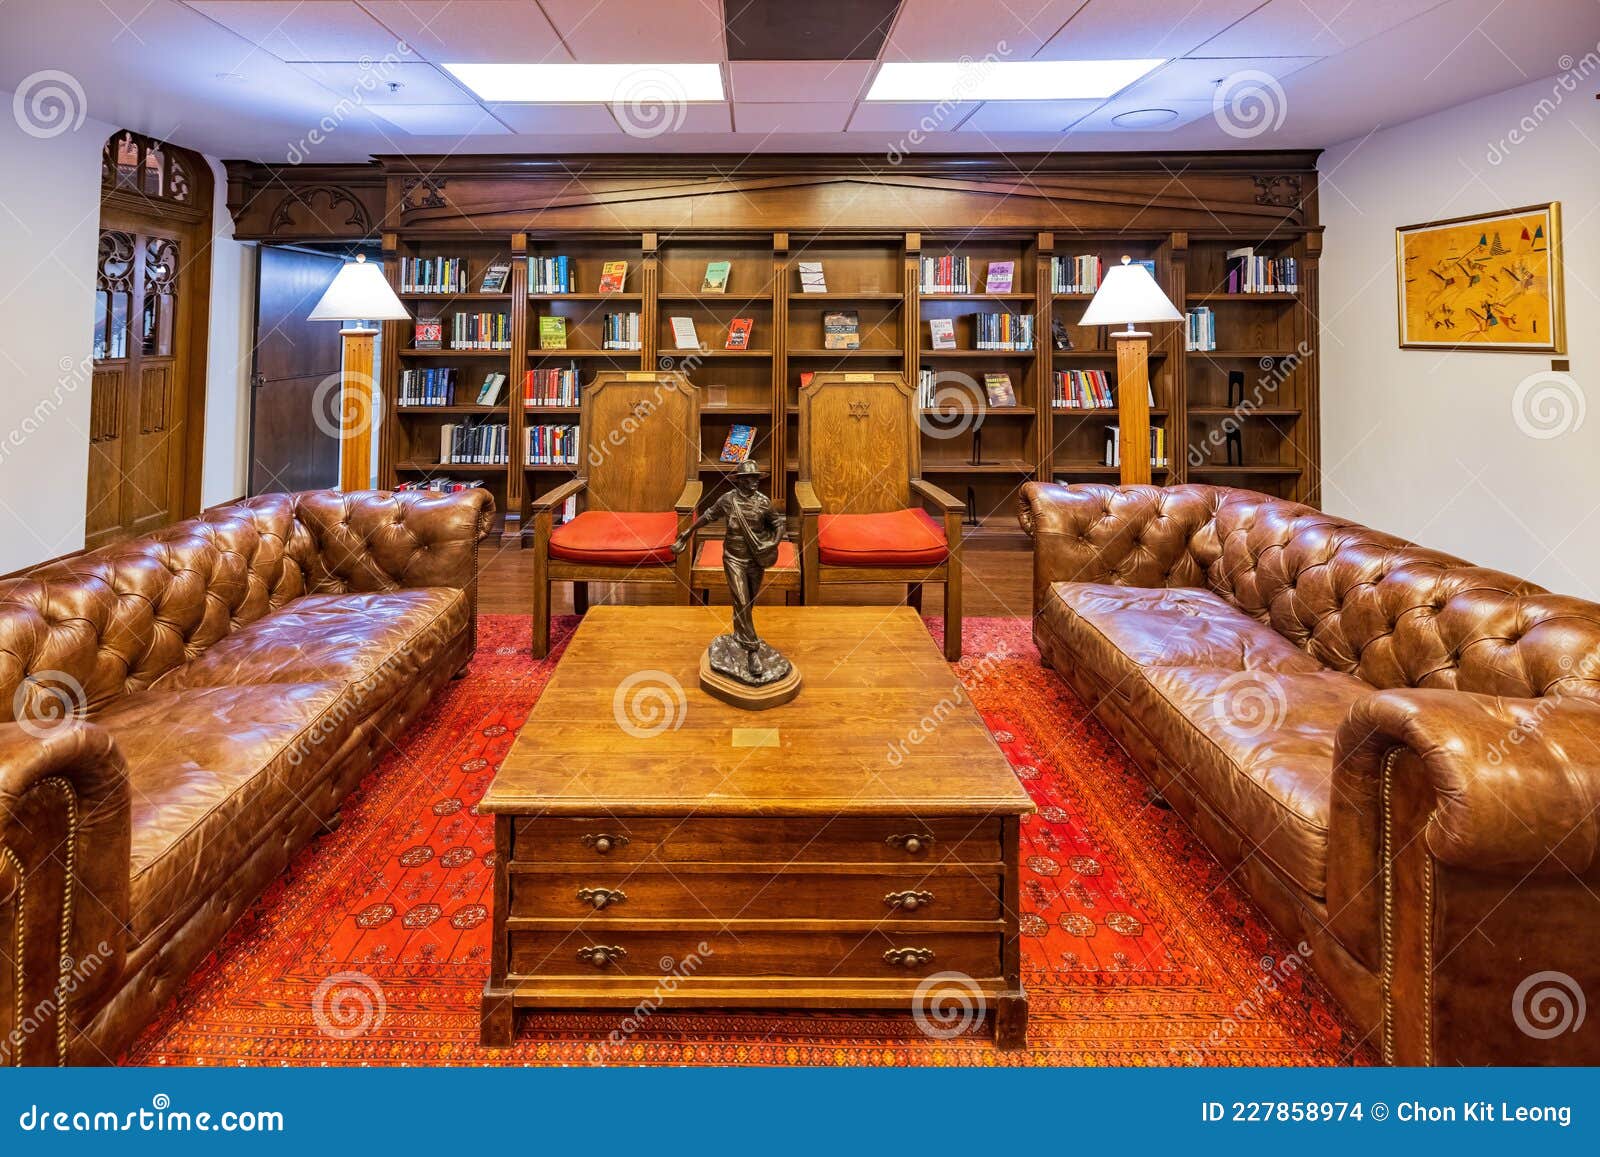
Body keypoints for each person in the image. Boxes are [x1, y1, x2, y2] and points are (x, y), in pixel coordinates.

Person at [672, 460, 785, 681]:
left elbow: (778, 524)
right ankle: (752, 651)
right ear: (740, 480)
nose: (754, 482)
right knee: (741, 601)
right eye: (749, 478)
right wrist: (687, 533)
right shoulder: (728, 500)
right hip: (733, 557)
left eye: (756, 478)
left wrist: (773, 543)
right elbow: (707, 516)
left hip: (756, 559)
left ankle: (739, 636)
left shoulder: (764, 503)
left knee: (748, 603)